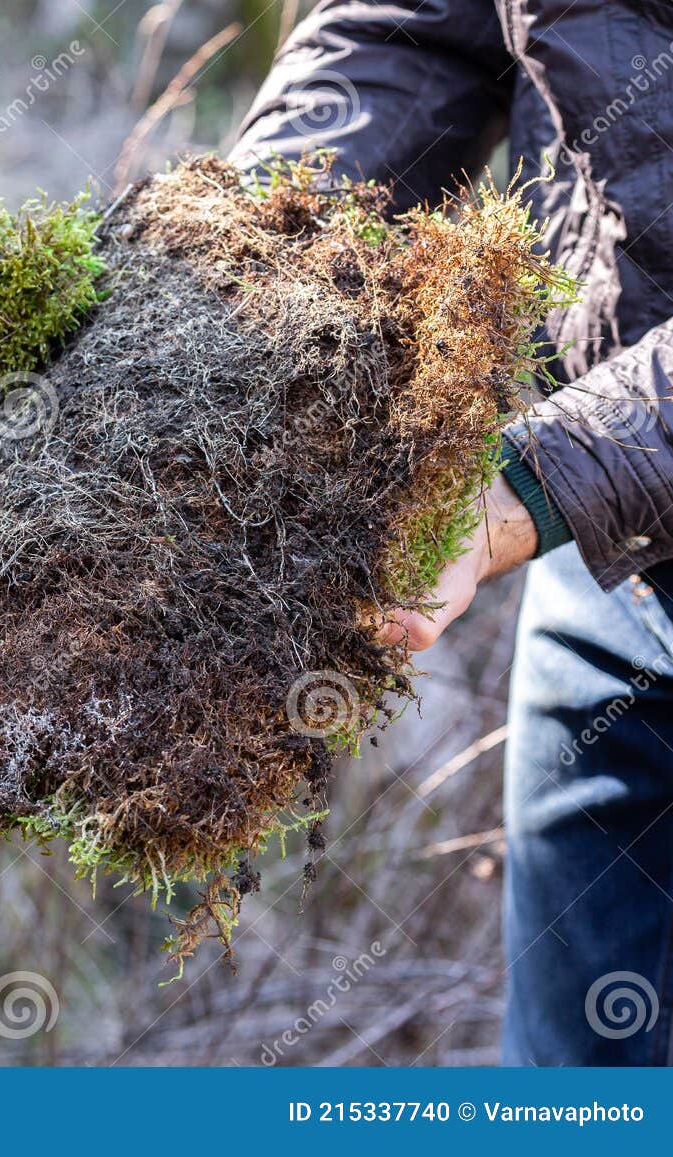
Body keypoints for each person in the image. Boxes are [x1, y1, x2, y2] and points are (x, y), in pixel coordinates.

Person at [227, 0, 673, 1065]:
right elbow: (410, 30)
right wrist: (249, 264)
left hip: (574, 482)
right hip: (609, 564)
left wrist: (527, 485)